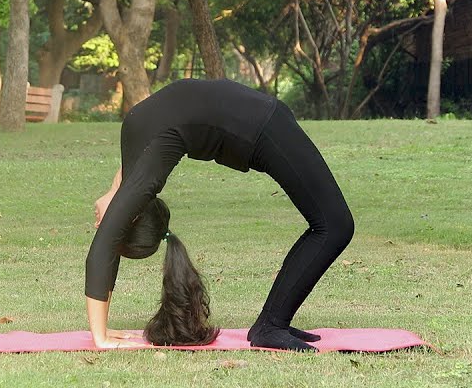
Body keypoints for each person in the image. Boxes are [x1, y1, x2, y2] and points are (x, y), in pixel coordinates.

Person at [86, 79, 354, 352]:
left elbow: (106, 244)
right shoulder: (137, 134)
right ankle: (273, 324)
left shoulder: (144, 174)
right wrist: (112, 194)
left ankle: (271, 325)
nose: (106, 222)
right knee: (334, 225)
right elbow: (112, 236)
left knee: (335, 226)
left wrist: (100, 337)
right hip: (262, 117)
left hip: (263, 126)